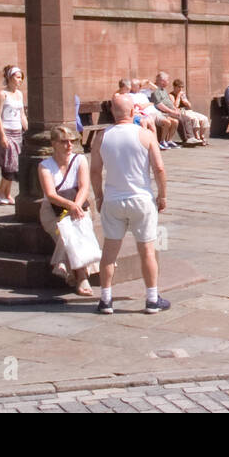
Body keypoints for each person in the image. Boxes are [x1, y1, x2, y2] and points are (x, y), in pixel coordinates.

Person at [90, 93, 169, 315]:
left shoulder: (101, 136)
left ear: (111, 112)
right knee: (147, 251)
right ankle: (152, 299)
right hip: (141, 199)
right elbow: (159, 168)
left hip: (114, 199)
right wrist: (162, 195)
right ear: (133, 111)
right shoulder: (145, 135)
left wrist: (98, 196)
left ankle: (105, 300)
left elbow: (95, 171)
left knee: (109, 253)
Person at [37, 124, 95, 295]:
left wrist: (76, 205)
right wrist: (70, 206)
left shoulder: (80, 160)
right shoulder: (45, 166)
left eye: (72, 141)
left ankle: (70, 271)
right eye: (64, 142)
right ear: (54, 144)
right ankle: (82, 276)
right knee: (66, 232)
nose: (69, 145)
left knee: (79, 228)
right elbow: (50, 194)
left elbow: (84, 187)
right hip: (54, 210)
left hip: (78, 205)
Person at [0, 65, 27, 204]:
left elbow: (22, 115)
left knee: (15, 164)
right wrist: (2, 135)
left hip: (17, 131)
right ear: (9, 77)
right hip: (7, 131)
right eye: (17, 77)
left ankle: (6, 193)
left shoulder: (19, 94)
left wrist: (28, 129)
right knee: (10, 163)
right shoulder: (3, 94)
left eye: (21, 78)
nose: (20, 80)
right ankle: (1, 191)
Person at [149, 72, 190, 147]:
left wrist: (175, 109)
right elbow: (159, 105)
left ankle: (169, 140)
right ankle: (186, 139)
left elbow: (169, 102)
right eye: (167, 80)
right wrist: (171, 111)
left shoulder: (163, 90)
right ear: (162, 81)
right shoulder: (155, 90)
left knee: (176, 121)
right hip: (161, 112)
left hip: (169, 111)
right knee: (179, 119)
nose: (168, 82)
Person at [169, 79, 209, 145]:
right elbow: (175, 106)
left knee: (204, 118)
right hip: (180, 111)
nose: (180, 89)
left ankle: (202, 136)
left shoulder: (183, 95)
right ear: (174, 87)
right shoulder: (171, 95)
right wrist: (178, 97)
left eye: (182, 87)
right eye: (179, 87)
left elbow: (190, 106)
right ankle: (197, 138)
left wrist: (186, 102)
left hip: (188, 111)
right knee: (194, 119)